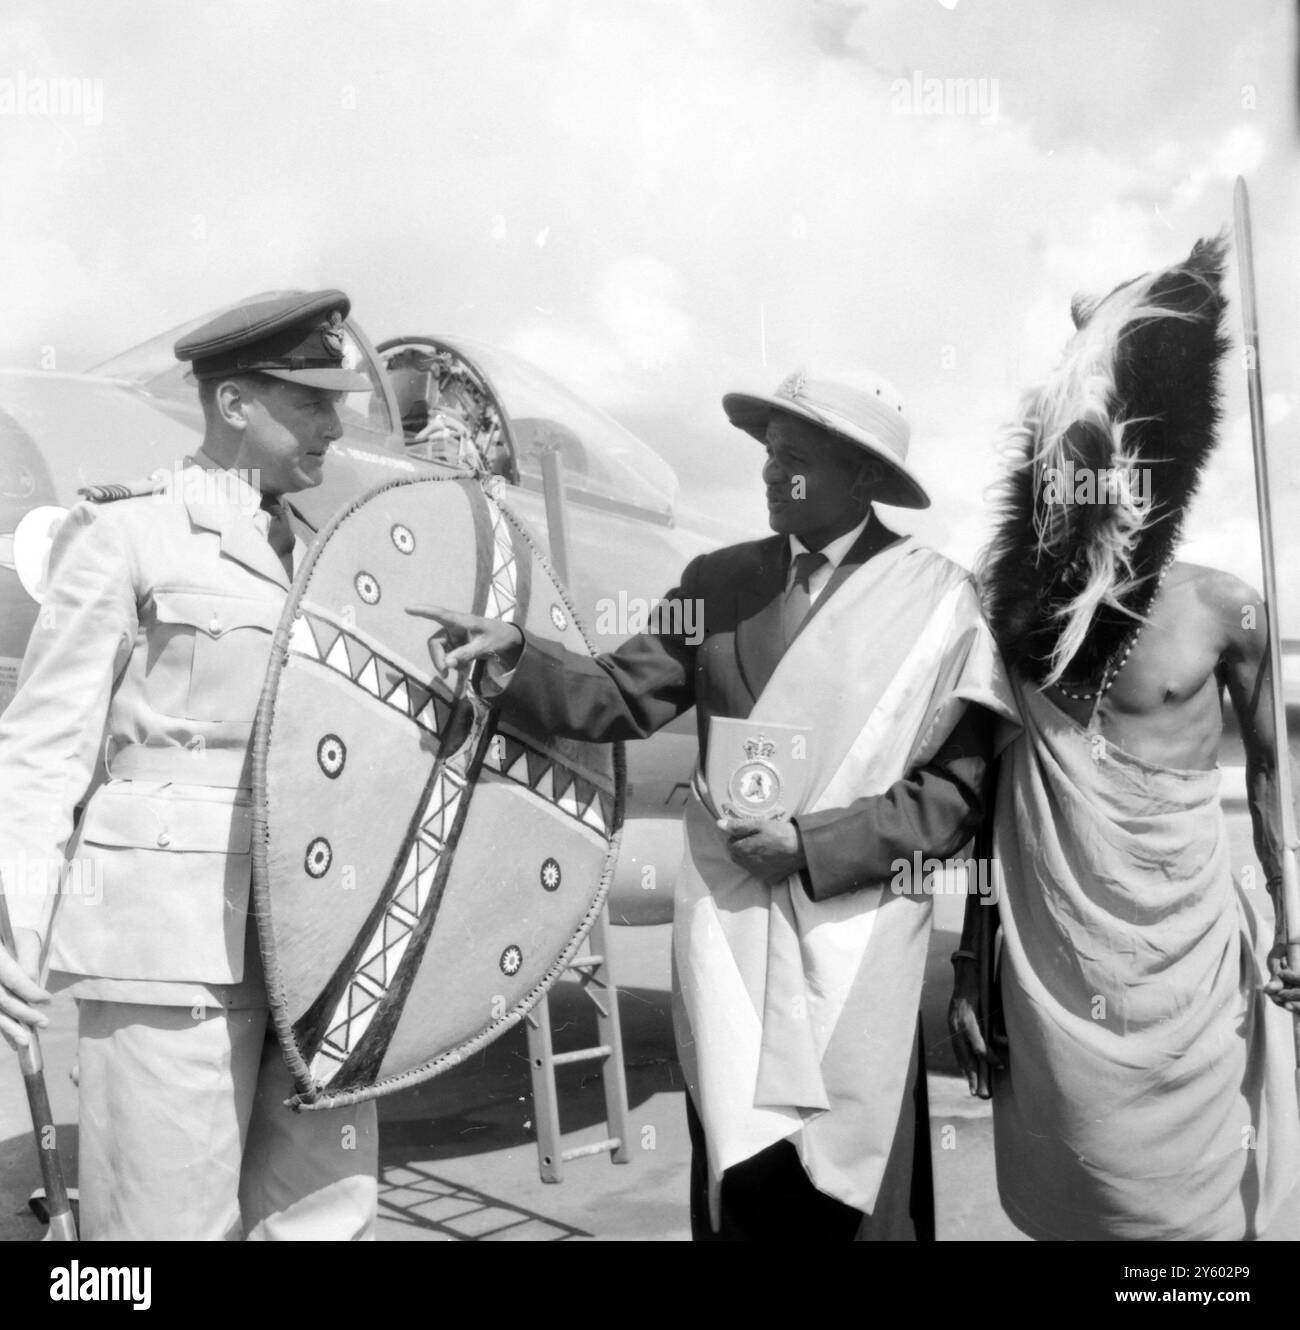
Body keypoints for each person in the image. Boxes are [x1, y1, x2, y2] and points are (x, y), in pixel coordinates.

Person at [411, 369, 1017, 1240]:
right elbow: (621, 692)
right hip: (729, 932)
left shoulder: (939, 600)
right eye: (768, 454)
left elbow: (952, 799)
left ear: (864, 477)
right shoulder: (718, 582)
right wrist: (516, 654)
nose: (770, 473)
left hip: (858, 946)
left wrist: (810, 845)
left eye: (795, 458)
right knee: (742, 1174)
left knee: (857, 1192)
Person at [0, 290, 381, 1240]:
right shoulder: (125, 533)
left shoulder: (332, 559)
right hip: (166, 951)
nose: (334, 426)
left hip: (318, 953)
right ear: (235, 403)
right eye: (311, 402)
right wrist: (14, 924)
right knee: (159, 1228)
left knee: (326, 1219)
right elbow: (44, 747)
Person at [949, 236, 1300, 1240]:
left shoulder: (1224, 609)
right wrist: (969, 961)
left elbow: (1271, 781)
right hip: (1057, 975)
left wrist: (1292, 921)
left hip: (1188, 972)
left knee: (1203, 1214)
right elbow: (992, 798)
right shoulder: (1021, 625)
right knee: (1080, 1198)